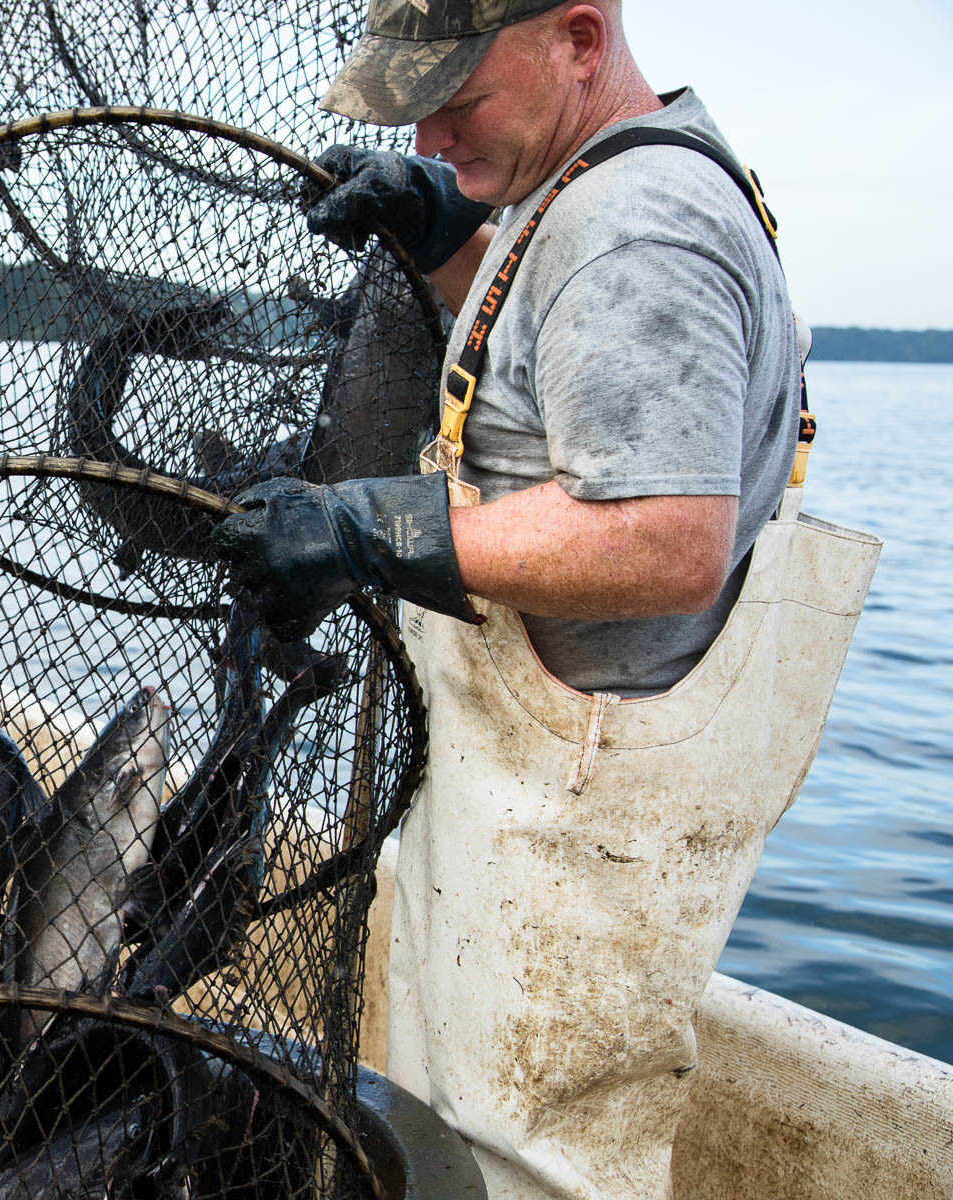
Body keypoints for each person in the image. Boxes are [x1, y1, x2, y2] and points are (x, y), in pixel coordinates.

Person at [213, 2, 876, 1197]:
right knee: (460, 1131)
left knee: (521, 1164)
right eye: (414, 98)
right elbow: (565, 391)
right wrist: (442, 238)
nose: (429, 126)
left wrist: (370, 529)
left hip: (581, 821)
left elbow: (664, 536)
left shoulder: (637, 227)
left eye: (458, 92)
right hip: (542, 790)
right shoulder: (586, 187)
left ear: (579, 38)